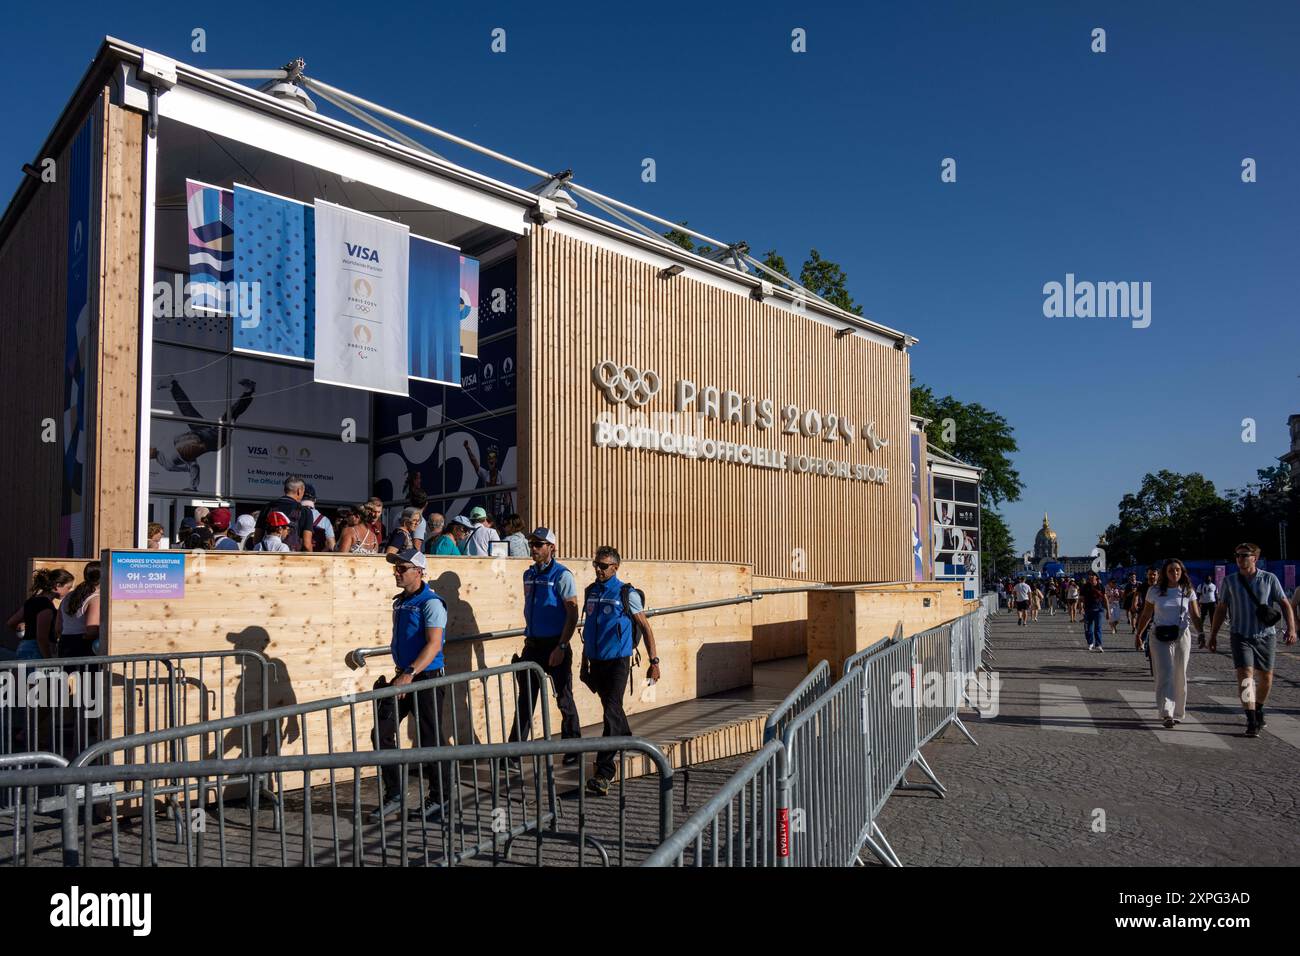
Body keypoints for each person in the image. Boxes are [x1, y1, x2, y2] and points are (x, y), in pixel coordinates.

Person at [371, 549, 451, 822]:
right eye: (396, 568)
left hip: (425, 678)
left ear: (419, 571)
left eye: (402, 568)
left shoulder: (432, 603)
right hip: (404, 675)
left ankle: (440, 798)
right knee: (380, 732)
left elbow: (433, 644)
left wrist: (410, 673)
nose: (397, 572)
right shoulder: (400, 602)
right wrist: (403, 674)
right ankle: (394, 794)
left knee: (430, 740)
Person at [580, 546, 660, 796]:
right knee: (611, 710)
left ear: (616, 568)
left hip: (618, 662)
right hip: (596, 661)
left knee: (611, 709)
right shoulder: (591, 592)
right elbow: (589, 629)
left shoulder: (627, 593)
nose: (598, 569)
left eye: (603, 566)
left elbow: (645, 628)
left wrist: (654, 661)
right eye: (596, 564)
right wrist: (583, 664)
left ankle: (604, 773)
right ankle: (626, 736)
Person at [1208, 543, 1298, 738]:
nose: (1240, 559)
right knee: (1246, 675)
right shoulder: (1230, 581)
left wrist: (1291, 628)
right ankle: (1250, 718)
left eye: (1244, 555)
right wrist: (1213, 635)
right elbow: (1222, 608)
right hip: (1240, 634)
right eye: (1237, 555)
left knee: (1266, 678)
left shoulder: (1269, 578)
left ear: (1254, 558)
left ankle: (1258, 708)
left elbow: (1285, 603)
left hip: (1266, 635)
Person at [508, 527, 582, 757]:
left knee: (564, 698)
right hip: (533, 644)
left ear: (552, 547)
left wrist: (561, 646)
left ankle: (573, 747)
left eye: (539, 544)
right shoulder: (528, 574)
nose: (534, 548)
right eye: (532, 544)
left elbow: (572, 614)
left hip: (555, 643)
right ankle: (514, 751)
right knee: (525, 699)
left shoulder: (562, 575)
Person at [149, 376, 256, 491]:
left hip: (199, 431)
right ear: (148, 457)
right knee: (229, 415)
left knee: (187, 410)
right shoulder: (168, 464)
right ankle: (248, 392)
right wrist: (192, 487)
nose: (149, 447)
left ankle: (173, 384)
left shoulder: (161, 445)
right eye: (147, 450)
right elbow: (193, 467)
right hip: (211, 440)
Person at [1133, 559, 1200, 729]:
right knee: (1165, 673)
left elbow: (1195, 614)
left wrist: (1203, 633)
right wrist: (1139, 634)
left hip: (1181, 635)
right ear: (1165, 573)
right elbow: (1147, 613)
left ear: (1182, 572)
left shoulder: (1187, 590)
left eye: (1177, 570)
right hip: (1159, 636)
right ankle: (1166, 712)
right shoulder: (1154, 591)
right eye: (1171, 570)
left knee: (1180, 673)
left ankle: (1178, 712)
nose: (1174, 573)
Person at [7, 568, 74, 659]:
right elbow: (42, 638)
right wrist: (48, 660)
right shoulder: (46, 606)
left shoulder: (32, 601)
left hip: (23, 648)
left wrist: (26, 631)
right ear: (57, 586)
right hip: (36, 652)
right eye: (68, 588)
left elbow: (11, 622)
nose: (69, 591)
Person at [253, 476, 315, 551]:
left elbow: (256, 539)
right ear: (299, 491)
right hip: (292, 558)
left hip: (267, 557)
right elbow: (307, 545)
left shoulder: (267, 507)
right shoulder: (305, 511)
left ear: (285, 490)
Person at [56, 562, 101, 658]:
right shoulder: (96, 599)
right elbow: (91, 631)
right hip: (84, 647)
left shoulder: (68, 596)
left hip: (65, 644)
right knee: (89, 674)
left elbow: (58, 628)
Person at [300, 486, 336, 552]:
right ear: (315, 500)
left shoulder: (295, 515)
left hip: (296, 558)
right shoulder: (325, 520)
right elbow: (332, 546)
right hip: (318, 559)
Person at [1079, 571, 1108, 651]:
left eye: (1092, 575)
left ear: (1096, 577)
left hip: (1099, 610)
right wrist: (1081, 607)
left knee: (1098, 628)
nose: (1090, 576)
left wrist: (1108, 611)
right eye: (1089, 575)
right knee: (1088, 629)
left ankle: (1098, 644)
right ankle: (1090, 643)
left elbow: (1105, 599)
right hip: (1088, 610)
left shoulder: (1101, 586)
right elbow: (1081, 598)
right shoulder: (1085, 587)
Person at [1196, 574, 1218, 648]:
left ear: (1211, 579)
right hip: (1204, 603)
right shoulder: (1201, 586)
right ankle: (1200, 632)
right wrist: (1198, 603)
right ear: (1205, 579)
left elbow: (1216, 595)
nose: (1209, 579)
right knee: (1202, 617)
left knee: (1213, 618)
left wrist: (1217, 603)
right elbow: (1198, 594)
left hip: (1212, 603)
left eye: (1210, 578)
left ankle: (1212, 633)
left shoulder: (1214, 586)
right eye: (1207, 578)